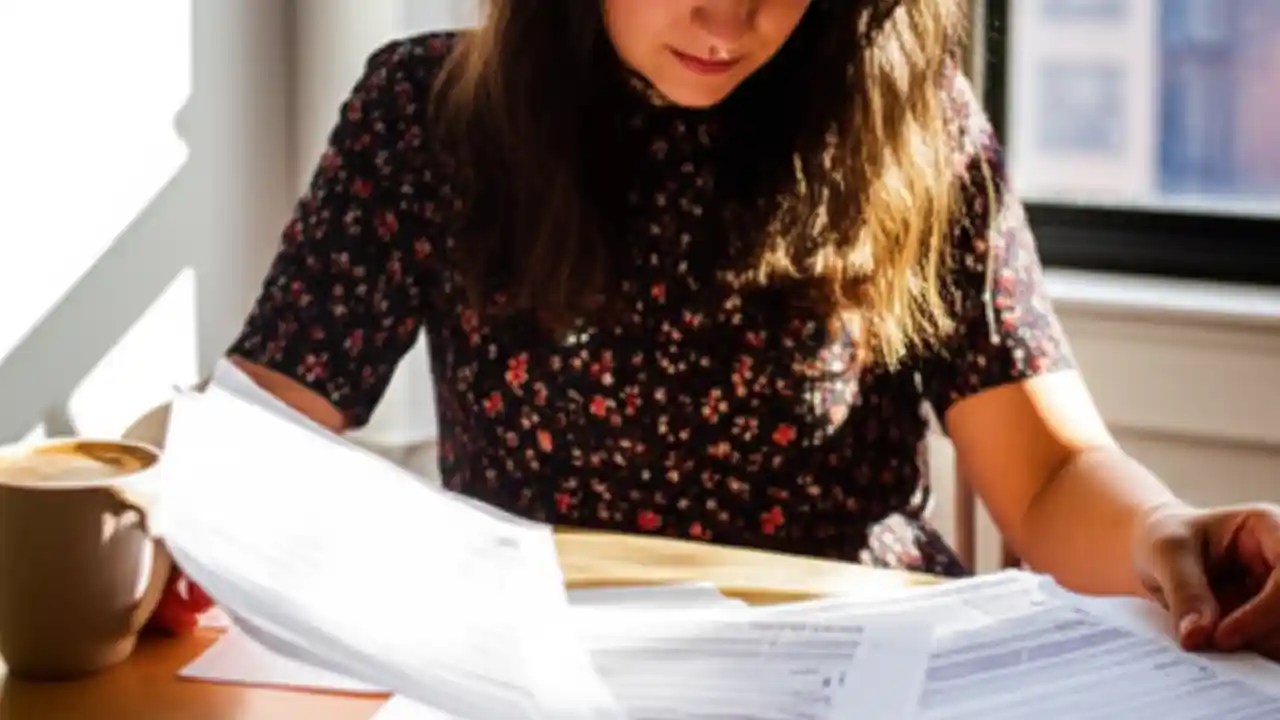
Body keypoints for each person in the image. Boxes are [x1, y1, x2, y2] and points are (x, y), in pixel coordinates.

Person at [151, 0, 1280, 659]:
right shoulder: (432, 115)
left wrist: (1165, 533)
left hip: (863, 666)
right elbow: (262, 423)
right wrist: (163, 511)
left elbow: (1047, 476)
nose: (728, 18)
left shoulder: (908, 119)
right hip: (547, 673)